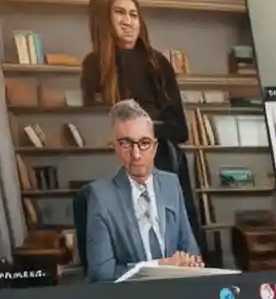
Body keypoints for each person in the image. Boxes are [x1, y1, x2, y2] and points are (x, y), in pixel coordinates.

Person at [81, 0, 198, 242]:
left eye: (133, 14)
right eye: (119, 12)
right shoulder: (93, 64)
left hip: (162, 161)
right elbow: (92, 121)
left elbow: (180, 129)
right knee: (127, 241)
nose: (128, 21)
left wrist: (142, 133)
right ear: (106, 18)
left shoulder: (158, 63)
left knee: (173, 240)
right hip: (115, 165)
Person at [84, 99, 202, 283]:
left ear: (155, 147)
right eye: (126, 144)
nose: (136, 154)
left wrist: (190, 263)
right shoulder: (100, 196)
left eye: (144, 143)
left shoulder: (171, 184)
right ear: (115, 147)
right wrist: (160, 266)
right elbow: (101, 274)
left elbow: (193, 253)